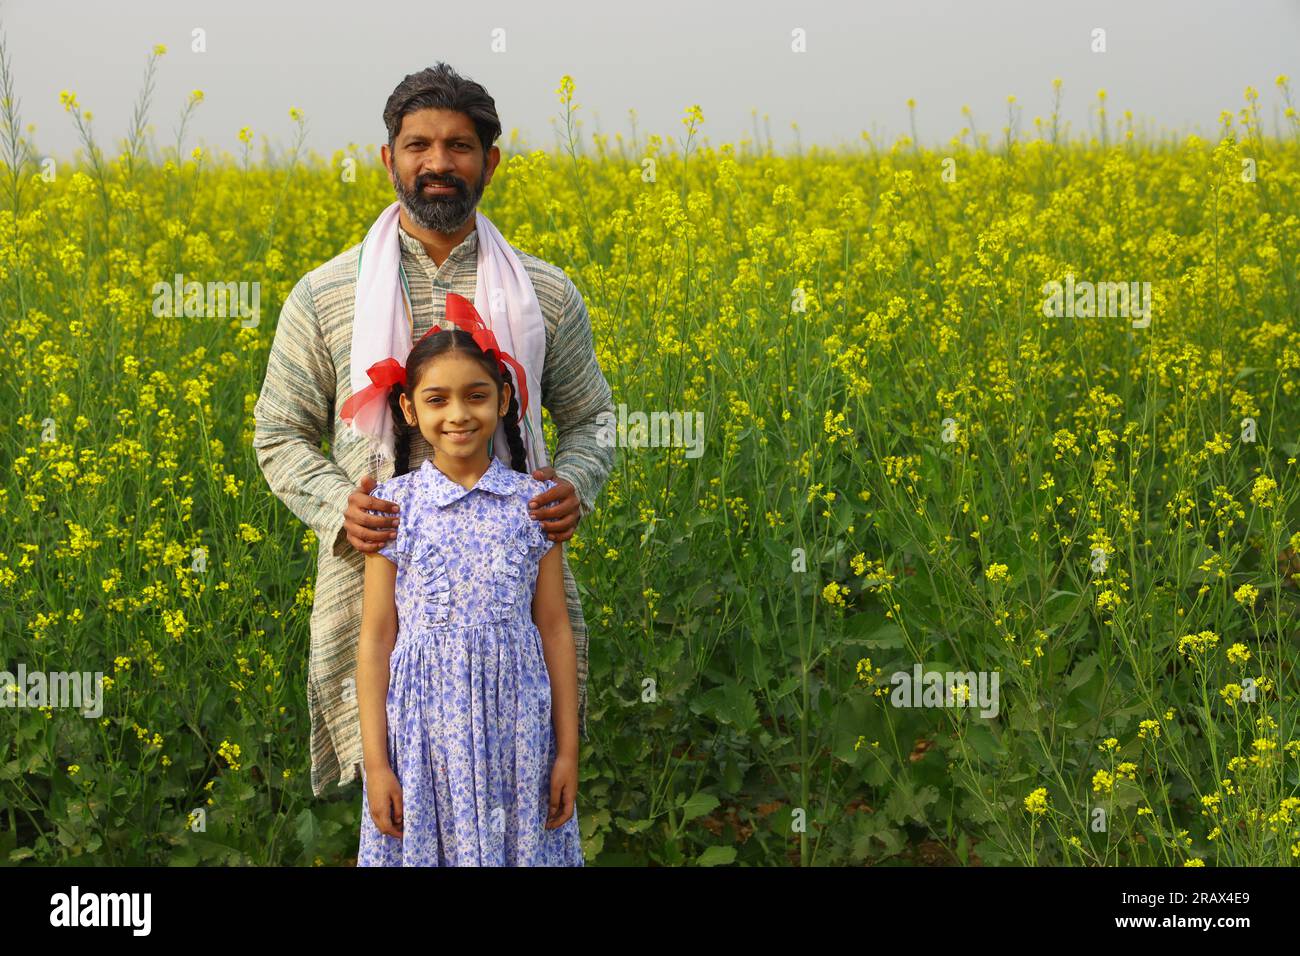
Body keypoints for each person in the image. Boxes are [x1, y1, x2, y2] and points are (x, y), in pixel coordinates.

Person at [252, 62, 613, 799]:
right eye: (418, 145)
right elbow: (280, 433)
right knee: (399, 798)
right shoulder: (325, 294)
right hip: (374, 577)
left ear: (491, 162)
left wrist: (574, 483)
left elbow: (592, 418)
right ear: (389, 159)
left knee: (517, 782)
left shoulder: (544, 293)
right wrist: (338, 507)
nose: (438, 163)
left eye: (458, 146)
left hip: (511, 590)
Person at [355, 295, 582, 865]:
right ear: (410, 411)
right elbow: (377, 639)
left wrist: (567, 752)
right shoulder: (392, 508)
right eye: (437, 399)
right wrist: (377, 765)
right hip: (424, 735)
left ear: (503, 400)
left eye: (477, 396)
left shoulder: (534, 505)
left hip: (519, 731)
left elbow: (554, 630)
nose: (458, 414)